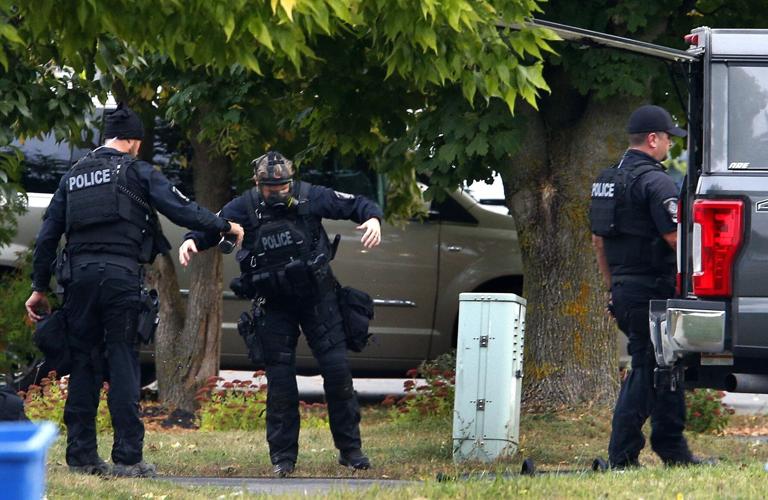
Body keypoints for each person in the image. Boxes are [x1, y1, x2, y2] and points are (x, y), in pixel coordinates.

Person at [24, 103, 244, 477]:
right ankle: (128, 458)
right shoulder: (138, 171)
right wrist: (224, 225)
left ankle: (81, 457)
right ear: (133, 141)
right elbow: (182, 209)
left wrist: (39, 287)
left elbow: (47, 236)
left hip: (78, 281)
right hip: (121, 278)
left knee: (83, 364)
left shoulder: (72, 176)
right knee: (123, 360)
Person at [179, 151, 382, 477]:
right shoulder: (243, 206)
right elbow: (212, 225)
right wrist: (192, 241)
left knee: (337, 371)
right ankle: (283, 459)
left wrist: (373, 218)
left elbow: (356, 204)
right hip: (273, 303)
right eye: (271, 187)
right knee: (281, 380)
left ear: (291, 180)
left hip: (318, 297)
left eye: (283, 185)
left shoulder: (310, 195)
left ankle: (351, 451)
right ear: (257, 183)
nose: (278, 192)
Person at [590, 104, 703, 468]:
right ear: (653, 139)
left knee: (667, 365)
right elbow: (674, 239)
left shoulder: (607, 180)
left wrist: (613, 288)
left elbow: (598, 241)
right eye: (668, 137)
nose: (670, 144)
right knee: (648, 368)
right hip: (654, 290)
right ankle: (622, 456)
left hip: (626, 290)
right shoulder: (656, 182)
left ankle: (673, 450)